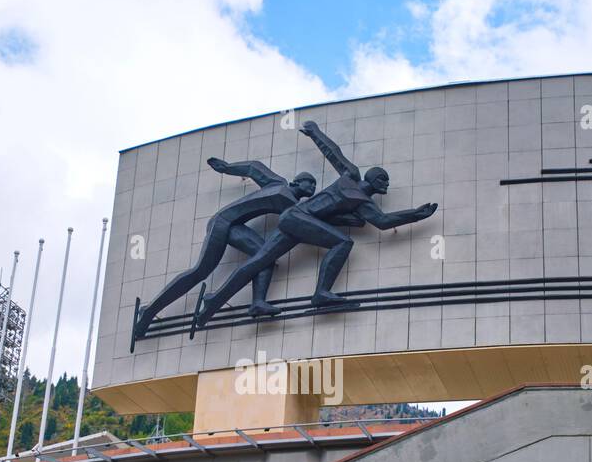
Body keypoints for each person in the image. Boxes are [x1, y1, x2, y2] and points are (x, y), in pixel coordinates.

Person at [193, 120, 437, 328]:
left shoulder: (364, 205)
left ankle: (214, 300)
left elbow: (383, 222)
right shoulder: (351, 175)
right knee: (343, 242)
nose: (386, 184)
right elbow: (333, 153)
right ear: (373, 178)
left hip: (296, 221)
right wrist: (315, 132)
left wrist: (415, 215)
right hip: (298, 217)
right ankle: (320, 293)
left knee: (258, 262)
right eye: (384, 179)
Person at [132, 158, 316, 342]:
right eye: (311, 181)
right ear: (297, 181)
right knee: (200, 271)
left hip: (236, 228)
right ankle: (149, 311)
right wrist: (227, 168)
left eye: (315, 184)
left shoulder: (295, 208)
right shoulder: (278, 183)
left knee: (265, 259)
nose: (314, 187)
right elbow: (254, 167)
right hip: (222, 222)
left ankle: (257, 303)